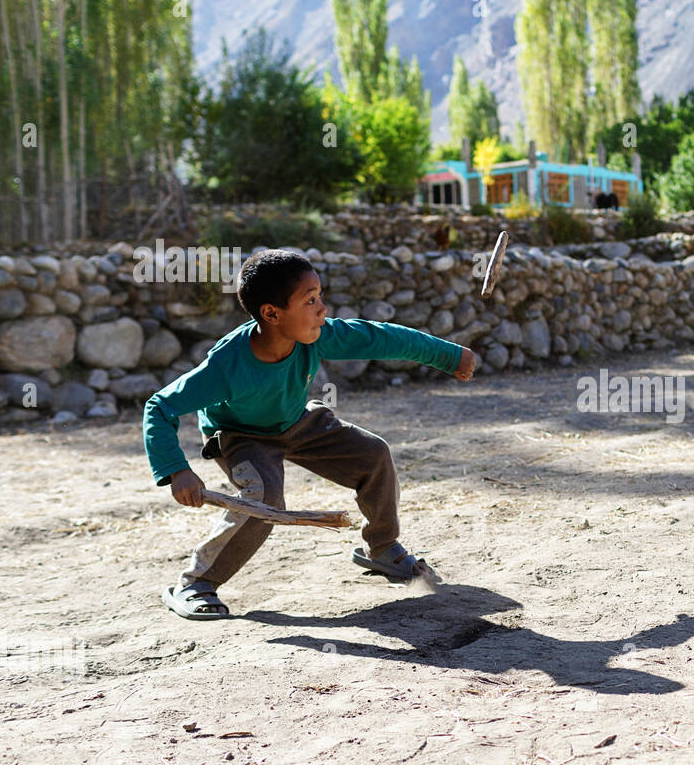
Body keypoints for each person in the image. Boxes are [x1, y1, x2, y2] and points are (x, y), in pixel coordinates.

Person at [142, 249, 477, 619]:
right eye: (311, 300)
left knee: (373, 454)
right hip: (241, 435)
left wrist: (447, 355)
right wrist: (177, 470)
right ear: (272, 314)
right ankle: (195, 583)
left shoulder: (316, 336)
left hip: (297, 420)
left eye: (320, 296)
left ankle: (381, 549)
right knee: (265, 499)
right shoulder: (227, 367)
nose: (322, 308)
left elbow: (382, 338)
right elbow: (160, 406)